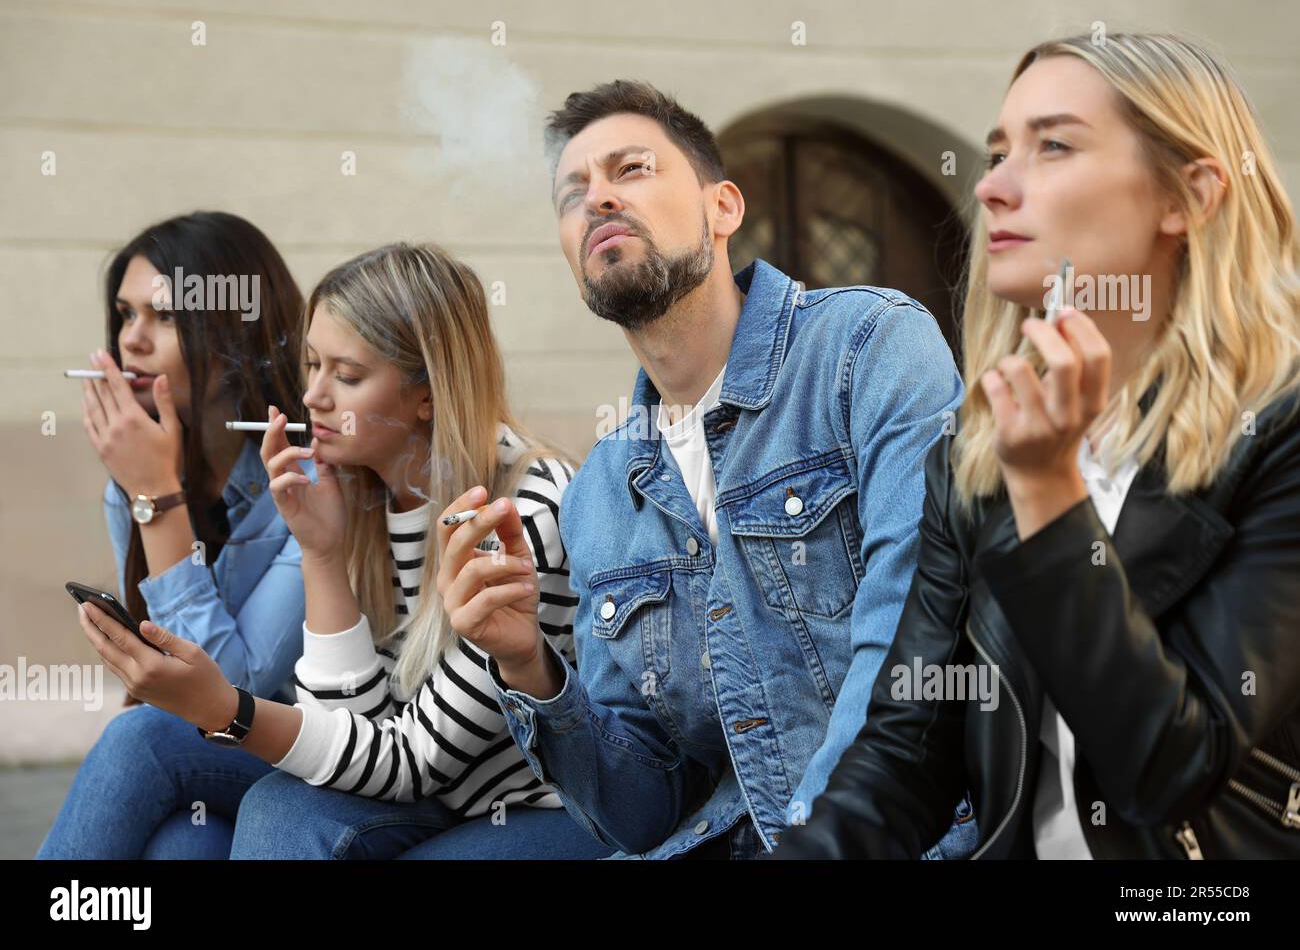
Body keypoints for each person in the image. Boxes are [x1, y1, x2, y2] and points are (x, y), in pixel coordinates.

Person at [773, 32, 1300, 860]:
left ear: (1188, 196)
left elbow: (1170, 767)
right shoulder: (976, 454)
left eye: (1052, 145)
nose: (991, 186)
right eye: (995, 152)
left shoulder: (1279, 431)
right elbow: (906, 753)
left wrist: (1050, 493)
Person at [436, 80, 978, 858]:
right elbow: (641, 813)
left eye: (631, 169)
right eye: (572, 192)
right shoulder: (598, 498)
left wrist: (813, 841)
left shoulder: (868, 348)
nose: (598, 200)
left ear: (723, 207)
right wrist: (529, 665)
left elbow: (911, 641)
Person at [76, 242, 614, 859]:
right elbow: (359, 731)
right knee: (169, 801)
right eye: (311, 365)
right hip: (427, 792)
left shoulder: (520, 513)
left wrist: (228, 709)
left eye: (348, 375)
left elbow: (410, 761)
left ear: (429, 395)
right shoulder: (358, 493)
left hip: (537, 809)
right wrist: (322, 554)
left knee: (281, 812)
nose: (314, 397)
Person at [39, 211, 309, 858]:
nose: (132, 339)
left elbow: (227, 694)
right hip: (218, 762)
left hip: (313, 752)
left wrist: (158, 499)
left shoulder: (305, 480)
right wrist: (146, 489)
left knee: (141, 739)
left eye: (163, 316)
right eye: (125, 315)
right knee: (184, 845)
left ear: (241, 334)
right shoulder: (130, 481)